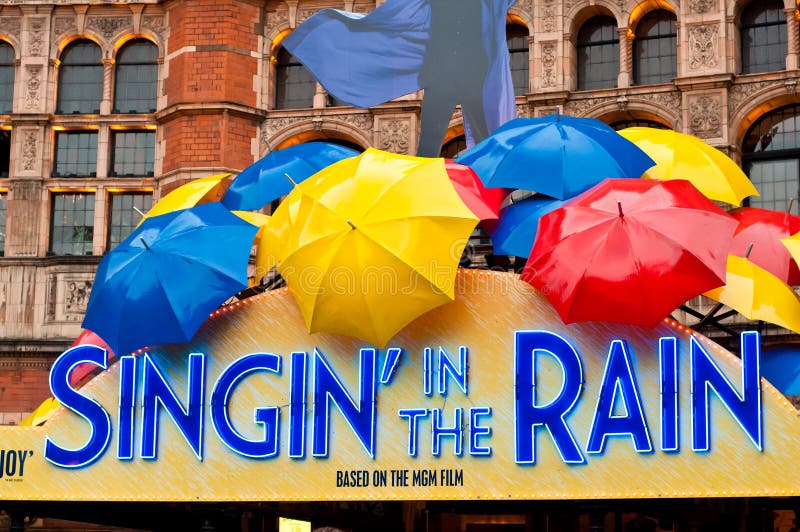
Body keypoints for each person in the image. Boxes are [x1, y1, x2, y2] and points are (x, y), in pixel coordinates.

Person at [282, 0, 516, 157]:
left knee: (484, 135)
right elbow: (396, 14)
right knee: (429, 142)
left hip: (472, 74)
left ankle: (493, 180)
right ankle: (422, 187)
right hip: (440, 75)